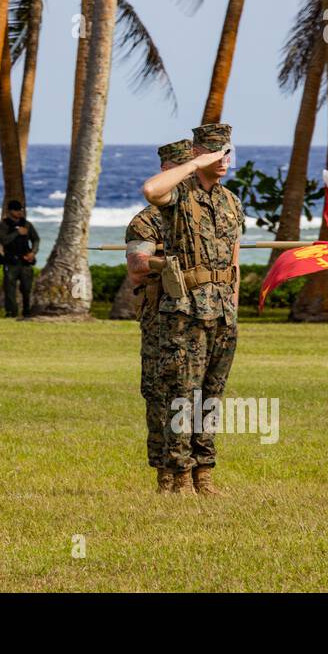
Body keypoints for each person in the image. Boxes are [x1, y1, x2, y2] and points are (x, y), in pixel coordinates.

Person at [141, 124, 244, 496]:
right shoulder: (179, 196)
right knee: (181, 394)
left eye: (226, 153)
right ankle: (177, 475)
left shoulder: (231, 202)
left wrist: (233, 307)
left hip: (222, 313)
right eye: (215, 154)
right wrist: (195, 163)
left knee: (211, 396)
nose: (223, 161)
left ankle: (205, 474)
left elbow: (234, 260)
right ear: (200, 155)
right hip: (185, 311)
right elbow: (152, 189)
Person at [125, 139, 191, 492]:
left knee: (196, 392)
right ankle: (165, 471)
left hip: (200, 316)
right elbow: (137, 267)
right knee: (159, 392)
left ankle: (196, 471)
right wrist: (172, 263)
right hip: (161, 317)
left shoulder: (203, 215)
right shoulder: (147, 221)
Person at [0, 200, 38, 317]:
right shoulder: (4, 225)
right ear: (10, 211)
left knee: (27, 288)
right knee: (10, 289)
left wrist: (33, 252)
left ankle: (27, 311)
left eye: (21, 210)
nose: (20, 212)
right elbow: (2, 240)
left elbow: (35, 239)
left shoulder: (27, 224)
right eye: (17, 210)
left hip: (25, 260)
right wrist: (17, 233)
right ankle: (11, 312)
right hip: (10, 261)